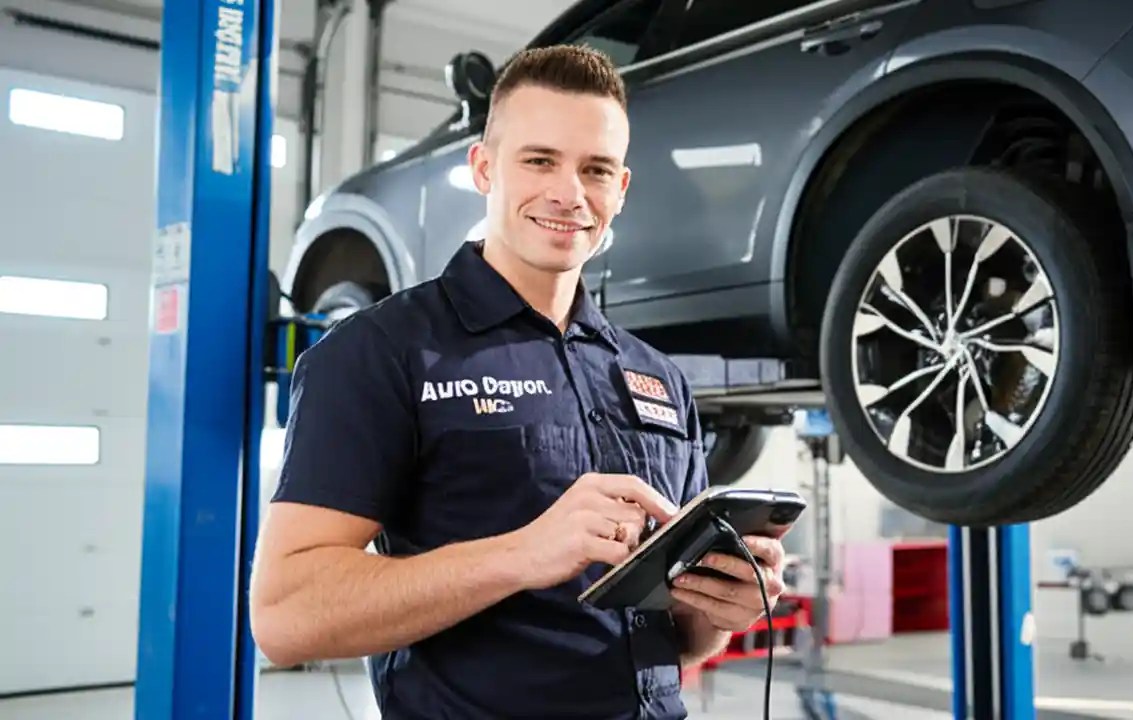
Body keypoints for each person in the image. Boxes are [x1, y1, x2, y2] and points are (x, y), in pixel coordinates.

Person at [248, 44, 788, 719]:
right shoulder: (381, 353)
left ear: (619, 190)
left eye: (595, 169)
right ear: (483, 168)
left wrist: (718, 608)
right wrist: (524, 553)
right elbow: (286, 615)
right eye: (539, 160)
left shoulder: (658, 378)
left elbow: (673, 642)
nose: (569, 193)